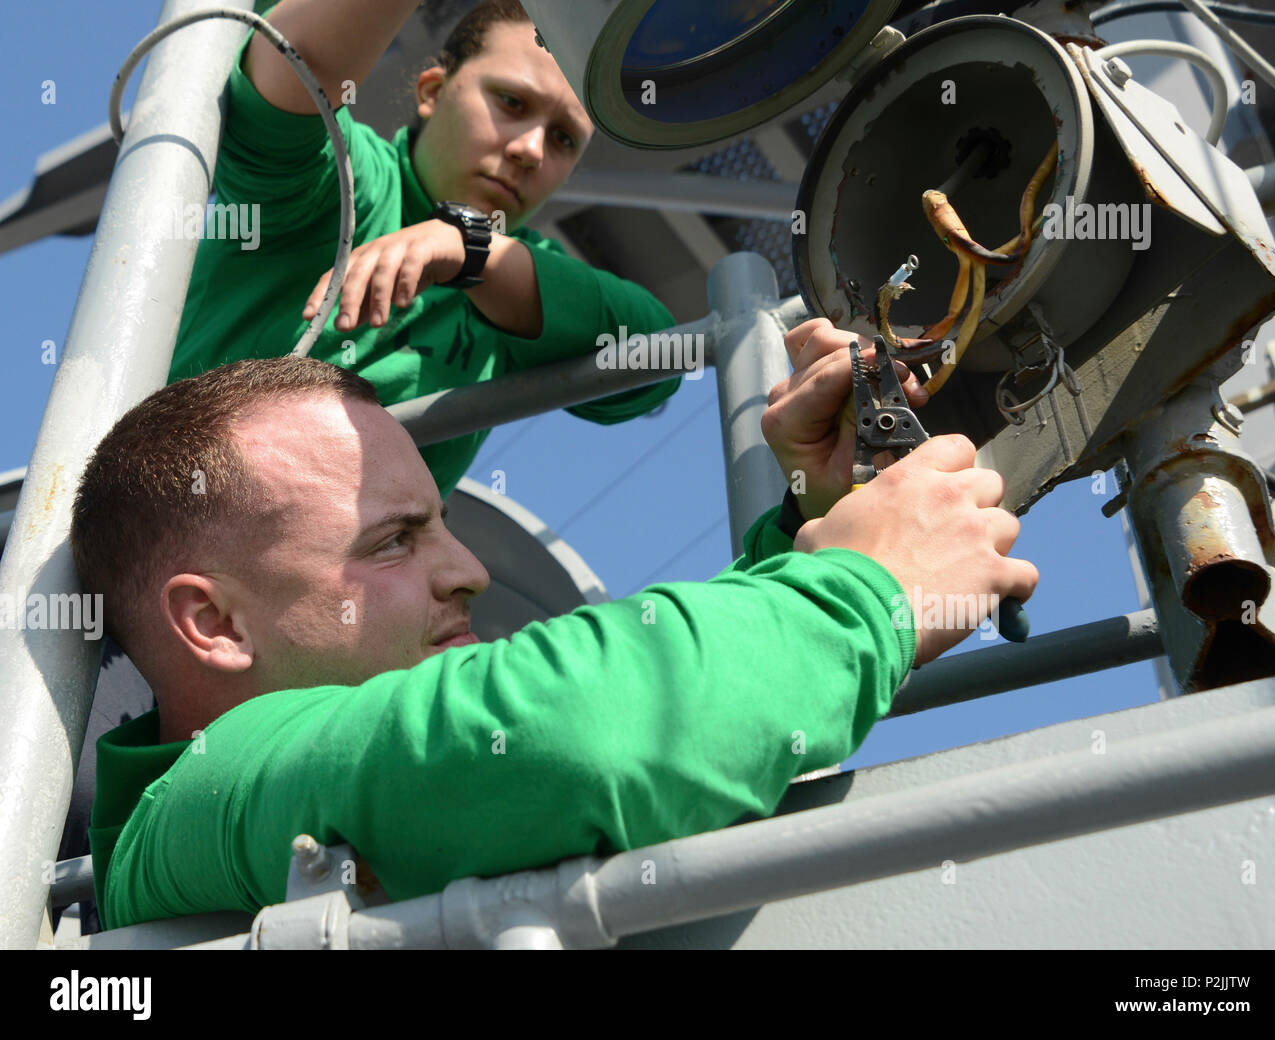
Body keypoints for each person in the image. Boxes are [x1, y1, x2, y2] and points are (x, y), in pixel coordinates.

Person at [75, 320, 1038, 931]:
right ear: (213, 623)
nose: (470, 571)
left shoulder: (270, 800)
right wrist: (863, 587)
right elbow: (579, 735)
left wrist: (804, 522)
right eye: (395, 542)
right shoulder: (193, 798)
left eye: (443, 523)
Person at [168, 0, 679, 496]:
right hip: (170, 539)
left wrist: (466, 251)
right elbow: (281, 84)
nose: (532, 149)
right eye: (510, 102)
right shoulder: (346, 185)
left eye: (565, 139)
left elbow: (656, 357)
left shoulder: (521, 285)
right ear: (434, 90)